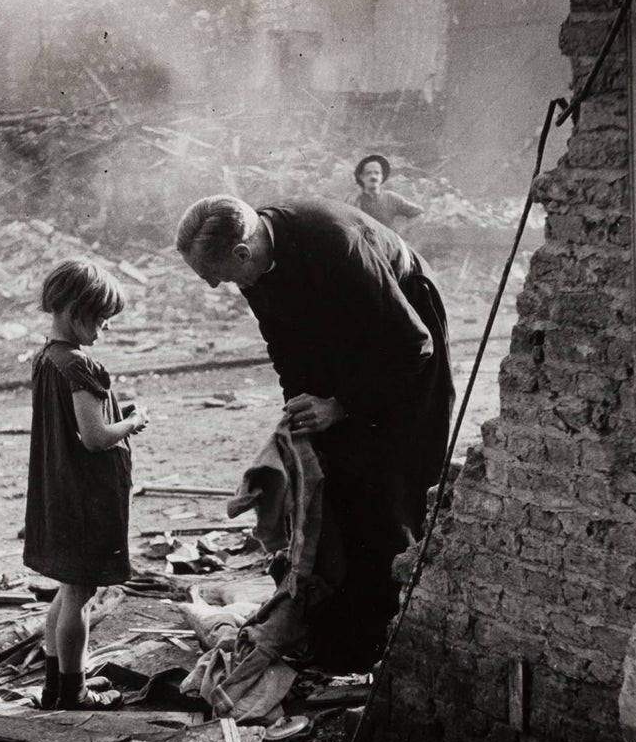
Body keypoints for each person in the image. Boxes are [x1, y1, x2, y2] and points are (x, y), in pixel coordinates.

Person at [175, 196, 453, 673]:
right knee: (334, 478)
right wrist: (299, 416)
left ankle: (387, 642)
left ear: (242, 253)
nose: (224, 286)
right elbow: (284, 344)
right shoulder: (254, 264)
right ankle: (338, 637)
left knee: (390, 489)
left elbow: (413, 345)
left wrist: (340, 405)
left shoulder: (333, 242)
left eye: (220, 276)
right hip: (346, 338)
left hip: (403, 340)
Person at [23, 258, 149, 709]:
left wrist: (113, 412)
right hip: (87, 497)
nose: (104, 329)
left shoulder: (47, 358)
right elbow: (95, 438)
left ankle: (56, 685)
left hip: (60, 491)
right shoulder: (81, 366)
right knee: (81, 592)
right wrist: (132, 421)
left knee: (67, 586)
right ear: (74, 309)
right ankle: (74, 691)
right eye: (100, 319)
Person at [350, 153, 424, 230]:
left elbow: (418, 214)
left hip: (385, 241)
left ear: (382, 176)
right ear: (361, 177)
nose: (373, 176)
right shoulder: (353, 200)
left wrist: (404, 229)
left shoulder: (391, 198)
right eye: (369, 173)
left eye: (377, 173)